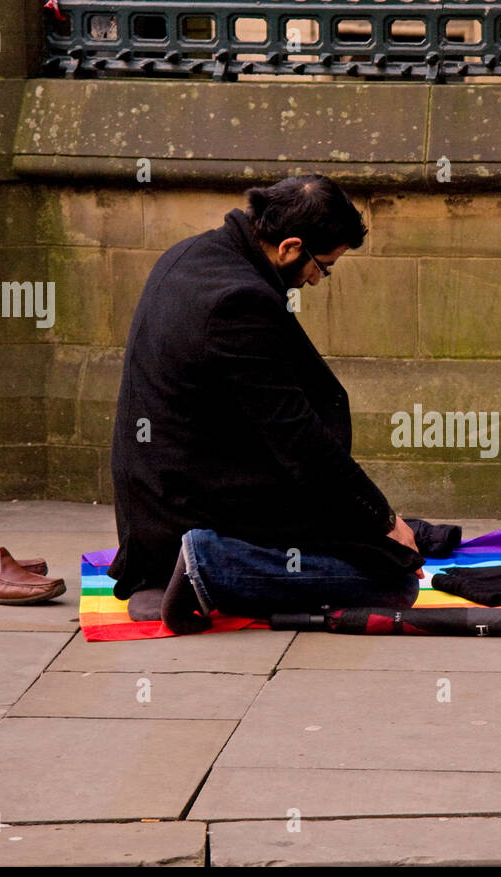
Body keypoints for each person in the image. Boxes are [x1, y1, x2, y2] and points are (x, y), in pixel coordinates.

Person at [108, 174, 425, 633]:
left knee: (362, 534)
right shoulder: (240, 301)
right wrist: (381, 518)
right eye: (324, 265)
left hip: (178, 486)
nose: (318, 280)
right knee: (394, 581)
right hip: (188, 510)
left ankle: (200, 561)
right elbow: (296, 436)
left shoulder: (192, 253)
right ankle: (208, 564)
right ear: (290, 247)